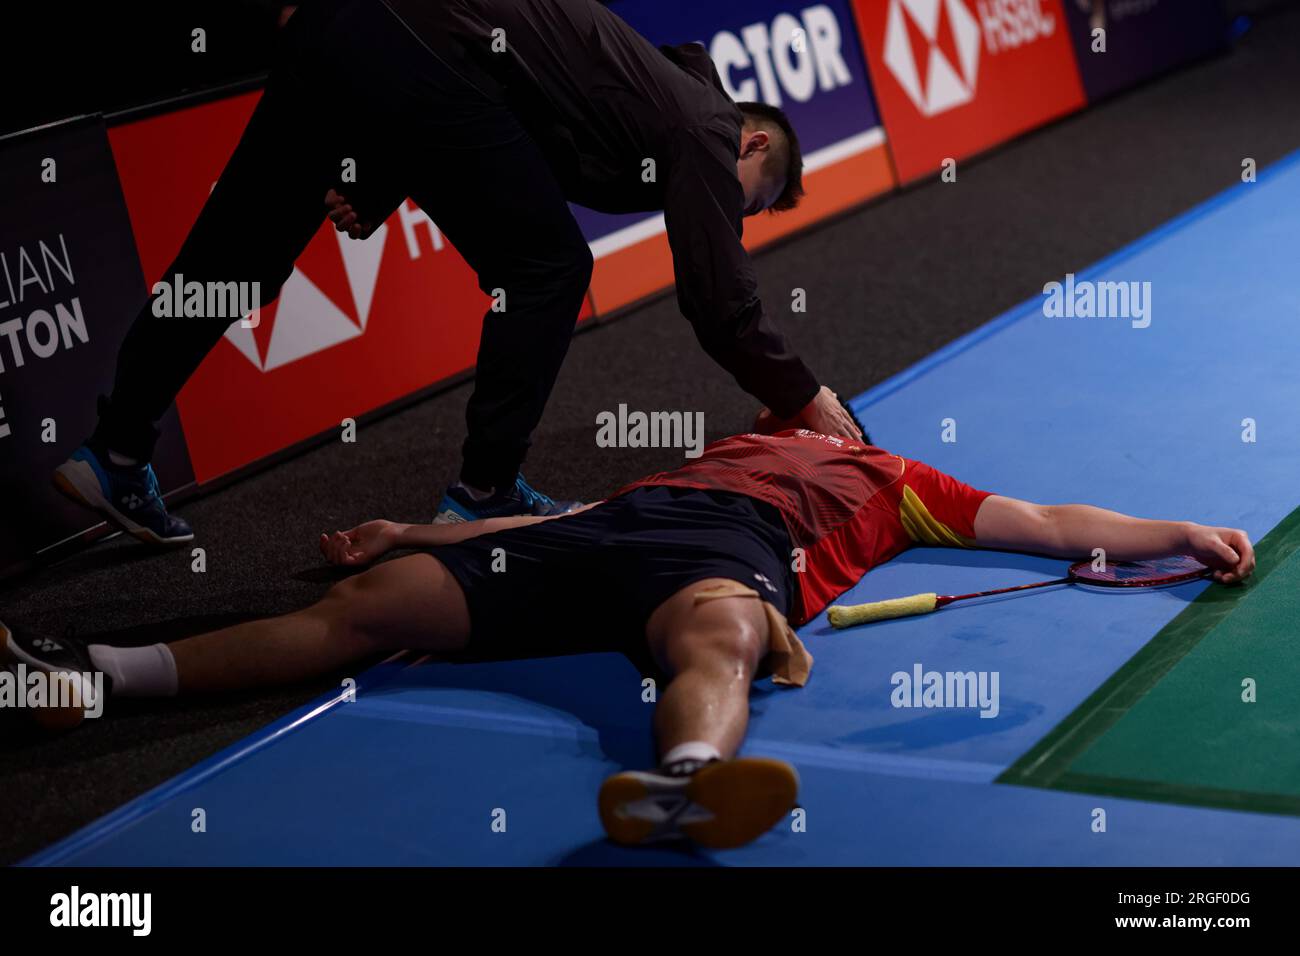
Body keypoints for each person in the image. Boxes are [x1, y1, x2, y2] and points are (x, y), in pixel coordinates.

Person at [7, 412, 1256, 849]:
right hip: (605, 535)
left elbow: (1044, 519)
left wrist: (1179, 527)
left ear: (847, 430)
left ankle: (679, 788)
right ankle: (94, 681)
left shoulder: (893, 478)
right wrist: (412, 534)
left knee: (716, 638)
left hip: (721, 561)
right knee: (359, 614)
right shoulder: (721, 447)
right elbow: (591, 511)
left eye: (819, 408)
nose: (803, 411)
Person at [52, 0, 861, 546]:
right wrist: (805, 395)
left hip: (341, 27)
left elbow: (500, 102)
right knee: (548, 267)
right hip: (413, 52)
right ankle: (485, 492)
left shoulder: (645, 89)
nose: (726, 215)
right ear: (754, 147)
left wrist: (378, 175)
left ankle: (116, 448)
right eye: (745, 206)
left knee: (232, 261)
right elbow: (718, 302)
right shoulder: (707, 129)